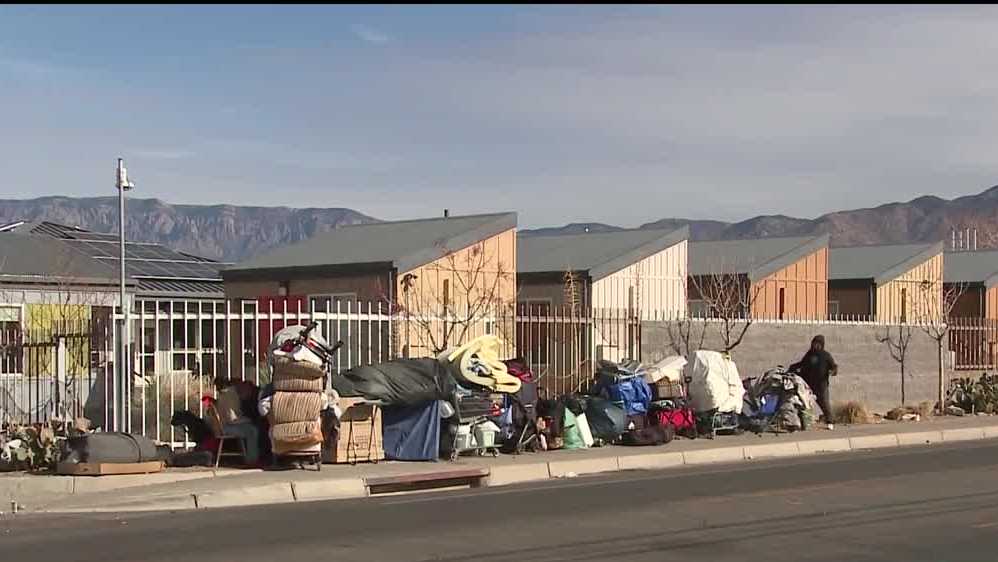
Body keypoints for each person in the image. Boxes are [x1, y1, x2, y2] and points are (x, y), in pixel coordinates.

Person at [207, 376, 261, 466]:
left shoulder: (223, 395)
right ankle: (252, 460)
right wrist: (248, 420)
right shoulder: (229, 395)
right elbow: (232, 419)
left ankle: (251, 458)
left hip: (225, 426)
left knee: (251, 428)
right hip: (227, 427)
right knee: (252, 431)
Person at [790, 335, 838, 430]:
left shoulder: (825, 355)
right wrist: (793, 367)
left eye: (817, 344)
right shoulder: (809, 354)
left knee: (824, 403)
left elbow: (834, 367)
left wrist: (832, 372)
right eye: (814, 343)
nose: (815, 346)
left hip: (821, 385)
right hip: (808, 384)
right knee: (803, 402)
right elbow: (802, 363)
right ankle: (803, 422)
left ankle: (830, 421)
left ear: (821, 345)